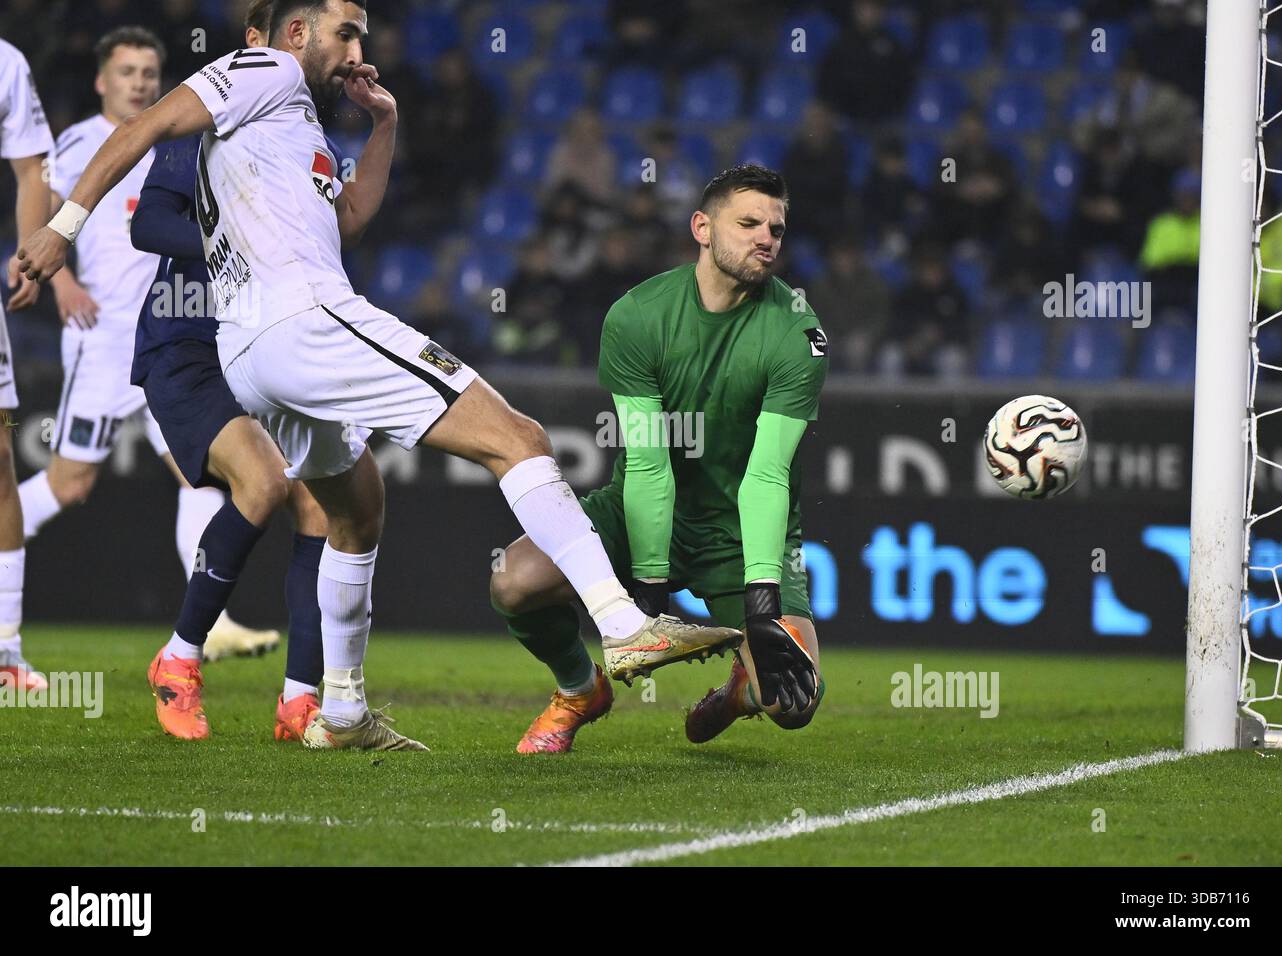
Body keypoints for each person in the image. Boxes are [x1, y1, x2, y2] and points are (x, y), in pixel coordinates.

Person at [17, 0, 740, 752]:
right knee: (518, 438)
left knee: (354, 508)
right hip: (305, 318)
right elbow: (143, 129)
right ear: (297, 33)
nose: (362, 46)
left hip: (256, 349)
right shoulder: (265, 68)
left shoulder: (296, 127)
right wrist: (60, 229)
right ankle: (623, 624)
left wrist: (383, 125)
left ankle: (342, 712)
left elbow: (350, 222)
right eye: (346, 31)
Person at [489, 165, 826, 754]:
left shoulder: (797, 334)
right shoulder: (637, 316)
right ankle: (578, 689)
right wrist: (645, 599)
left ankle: (738, 690)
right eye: (747, 223)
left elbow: (767, 475)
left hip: (737, 533)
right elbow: (648, 463)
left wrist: (763, 602)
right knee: (513, 579)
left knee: (794, 701)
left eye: (775, 227)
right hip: (640, 509)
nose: (765, 237)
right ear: (702, 227)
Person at [16, 26, 277, 663]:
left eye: (149, 72)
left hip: (170, 341)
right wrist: (62, 282)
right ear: (103, 80)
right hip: (102, 338)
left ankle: (209, 624)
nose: (139, 82)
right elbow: (38, 205)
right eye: (126, 72)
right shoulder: (78, 143)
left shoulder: (177, 139)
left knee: (205, 481)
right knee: (71, 482)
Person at [128, 0, 339, 742]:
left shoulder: (300, 143)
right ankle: (179, 660)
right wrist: (233, 243)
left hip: (266, 340)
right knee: (265, 481)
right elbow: (147, 222)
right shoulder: (202, 131)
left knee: (322, 505)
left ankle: (300, 701)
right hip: (186, 345)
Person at [0, 37, 53, 691]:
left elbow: (32, 170)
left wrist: (28, 250)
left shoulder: (6, 62)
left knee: (0, 459)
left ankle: (5, 649)